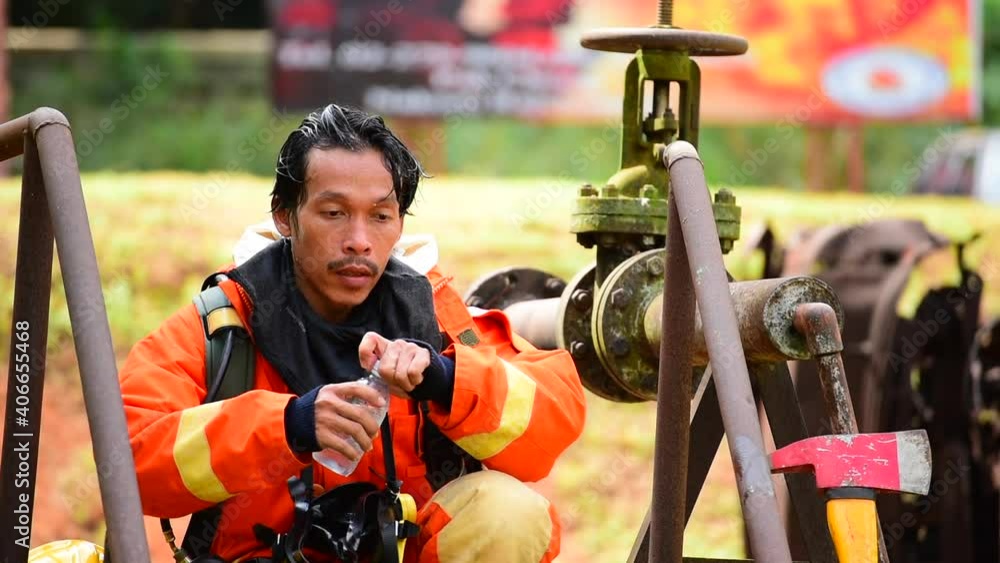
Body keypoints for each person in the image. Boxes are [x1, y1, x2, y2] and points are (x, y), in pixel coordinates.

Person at [118, 104, 587, 562]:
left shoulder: (436, 317)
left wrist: (445, 379)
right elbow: (130, 459)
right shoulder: (224, 325)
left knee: (509, 513)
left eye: (380, 216)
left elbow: (553, 417)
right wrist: (289, 425)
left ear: (400, 224)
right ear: (285, 216)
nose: (359, 239)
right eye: (334, 213)